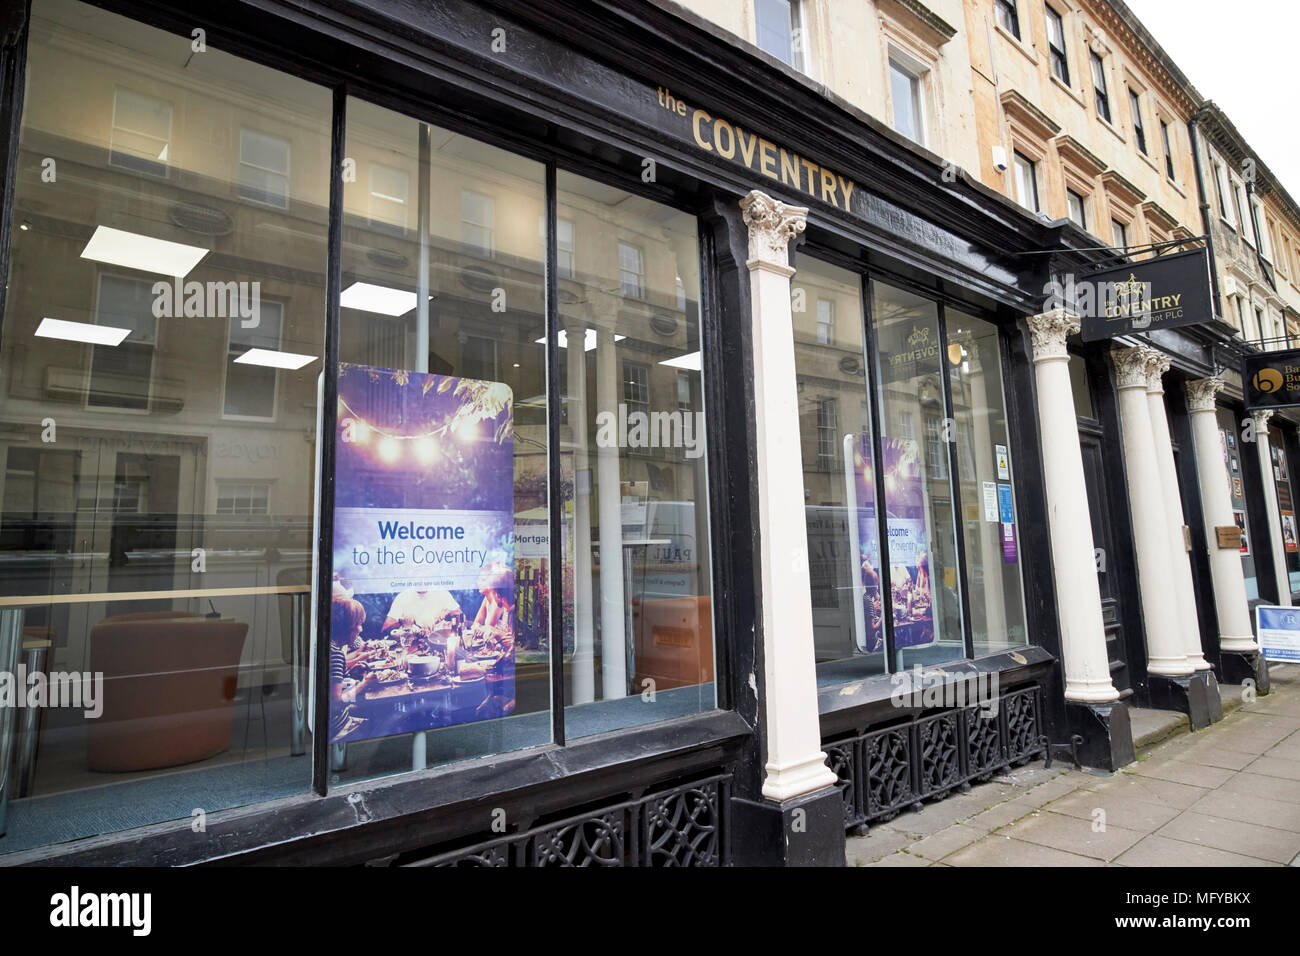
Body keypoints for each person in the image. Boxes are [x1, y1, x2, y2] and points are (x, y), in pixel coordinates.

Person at [330, 596, 378, 741]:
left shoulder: (329, 647)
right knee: (381, 719)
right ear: (346, 626)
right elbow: (336, 704)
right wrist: (364, 684)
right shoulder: (335, 655)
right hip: (339, 728)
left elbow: (334, 688)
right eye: (358, 624)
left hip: (335, 724)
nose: (361, 629)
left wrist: (350, 673)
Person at [381, 587, 463, 634]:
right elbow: (384, 630)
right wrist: (401, 621)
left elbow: (462, 618)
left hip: (439, 643)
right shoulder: (402, 597)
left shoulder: (442, 593)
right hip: (411, 649)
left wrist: (449, 614)